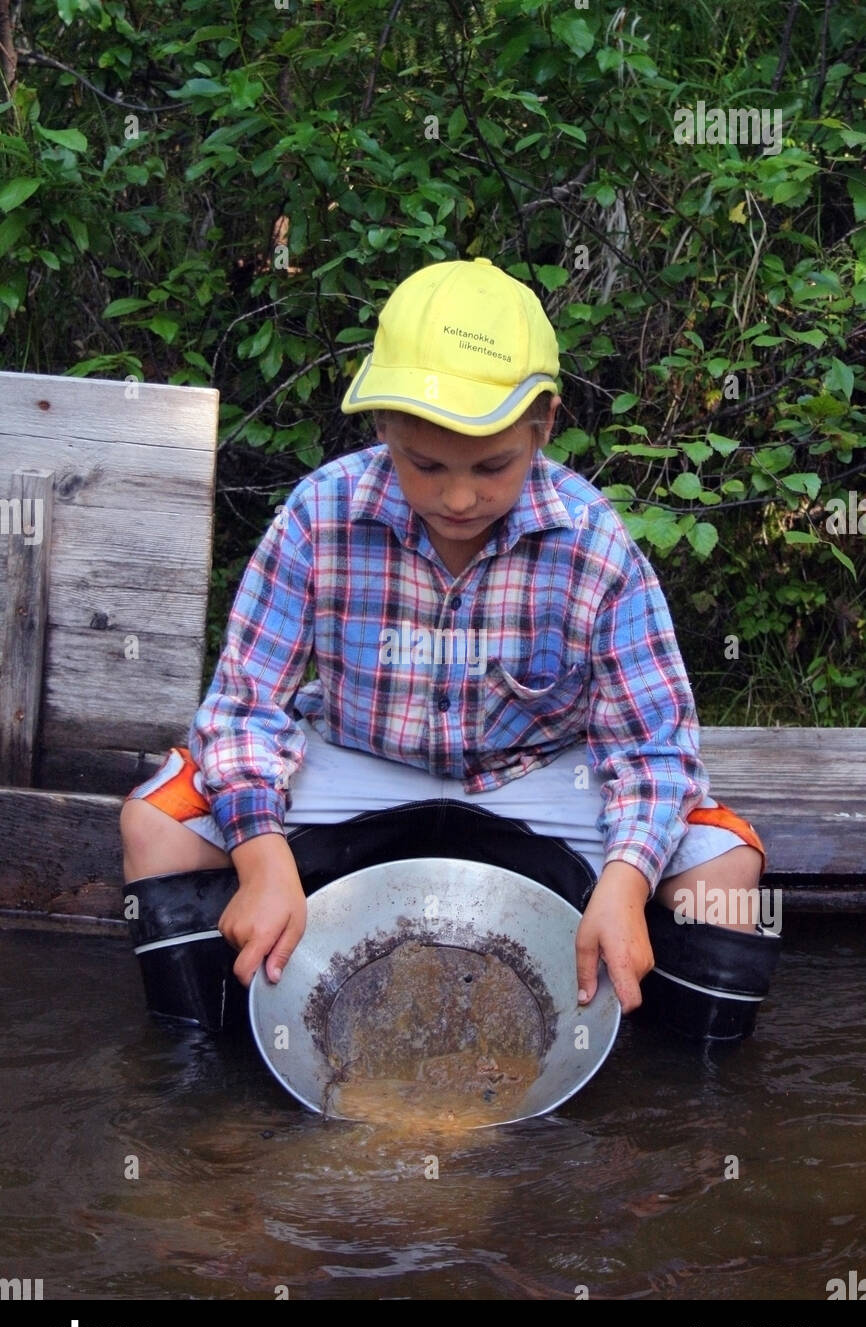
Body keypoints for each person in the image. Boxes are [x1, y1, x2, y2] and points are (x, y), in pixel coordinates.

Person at [120, 257, 778, 1036]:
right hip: (350, 761)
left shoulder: (592, 540)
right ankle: (207, 1061)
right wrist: (262, 860)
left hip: (538, 776)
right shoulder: (318, 515)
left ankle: (669, 1083)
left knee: (729, 877)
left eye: (493, 466)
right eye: (424, 465)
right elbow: (244, 708)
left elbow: (652, 748)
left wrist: (627, 884)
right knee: (152, 825)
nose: (458, 498)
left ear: (545, 427)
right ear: (382, 430)